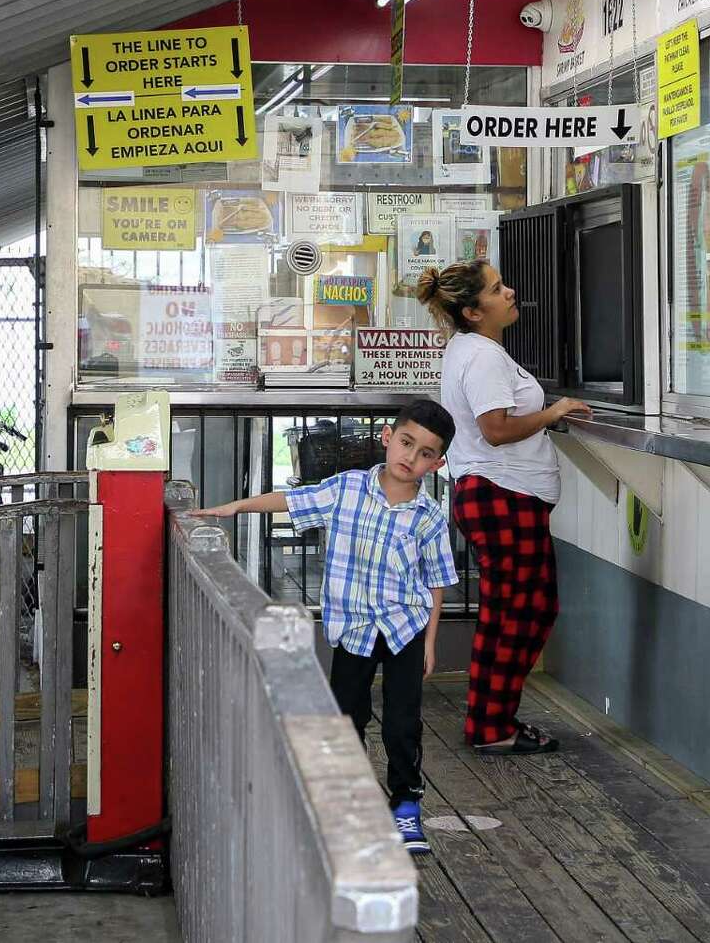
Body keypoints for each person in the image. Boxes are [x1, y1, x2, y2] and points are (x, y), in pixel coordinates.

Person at [199, 399, 458, 855]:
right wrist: (237, 507)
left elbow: (435, 584)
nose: (410, 457)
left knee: (402, 723)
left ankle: (406, 806)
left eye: (424, 453)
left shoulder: (430, 517)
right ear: (387, 437)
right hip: (354, 627)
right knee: (347, 717)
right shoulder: (348, 489)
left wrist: (431, 642)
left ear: (437, 463)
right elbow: (290, 499)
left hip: (406, 627)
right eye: (405, 442)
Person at [417, 260, 590, 756]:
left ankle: (493, 720)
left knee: (516, 613)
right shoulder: (485, 357)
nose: (510, 292)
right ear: (473, 311)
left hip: (497, 495)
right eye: (497, 289)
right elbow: (495, 429)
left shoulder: (469, 350)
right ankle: (492, 725)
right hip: (502, 495)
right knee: (522, 613)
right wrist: (553, 412)